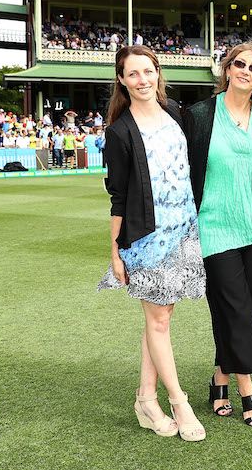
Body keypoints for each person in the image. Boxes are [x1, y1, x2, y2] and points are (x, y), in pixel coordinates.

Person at [96, 44, 207, 442]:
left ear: (158, 72)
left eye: (148, 71)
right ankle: (179, 401)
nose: (142, 80)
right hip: (147, 237)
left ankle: (146, 396)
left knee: (160, 319)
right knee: (158, 321)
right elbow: (119, 196)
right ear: (122, 80)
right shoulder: (120, 131)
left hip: (184, 228)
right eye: (133, 74)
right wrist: (115, 250)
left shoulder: (176, 112)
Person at [183, 40, 252, 429]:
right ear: (227, 68)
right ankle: (246, 390)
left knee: (243, 308)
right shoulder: (201, 115)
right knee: (236, 308)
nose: (245, 72)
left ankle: (219, 377)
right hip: (214, 227)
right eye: (240, 64)